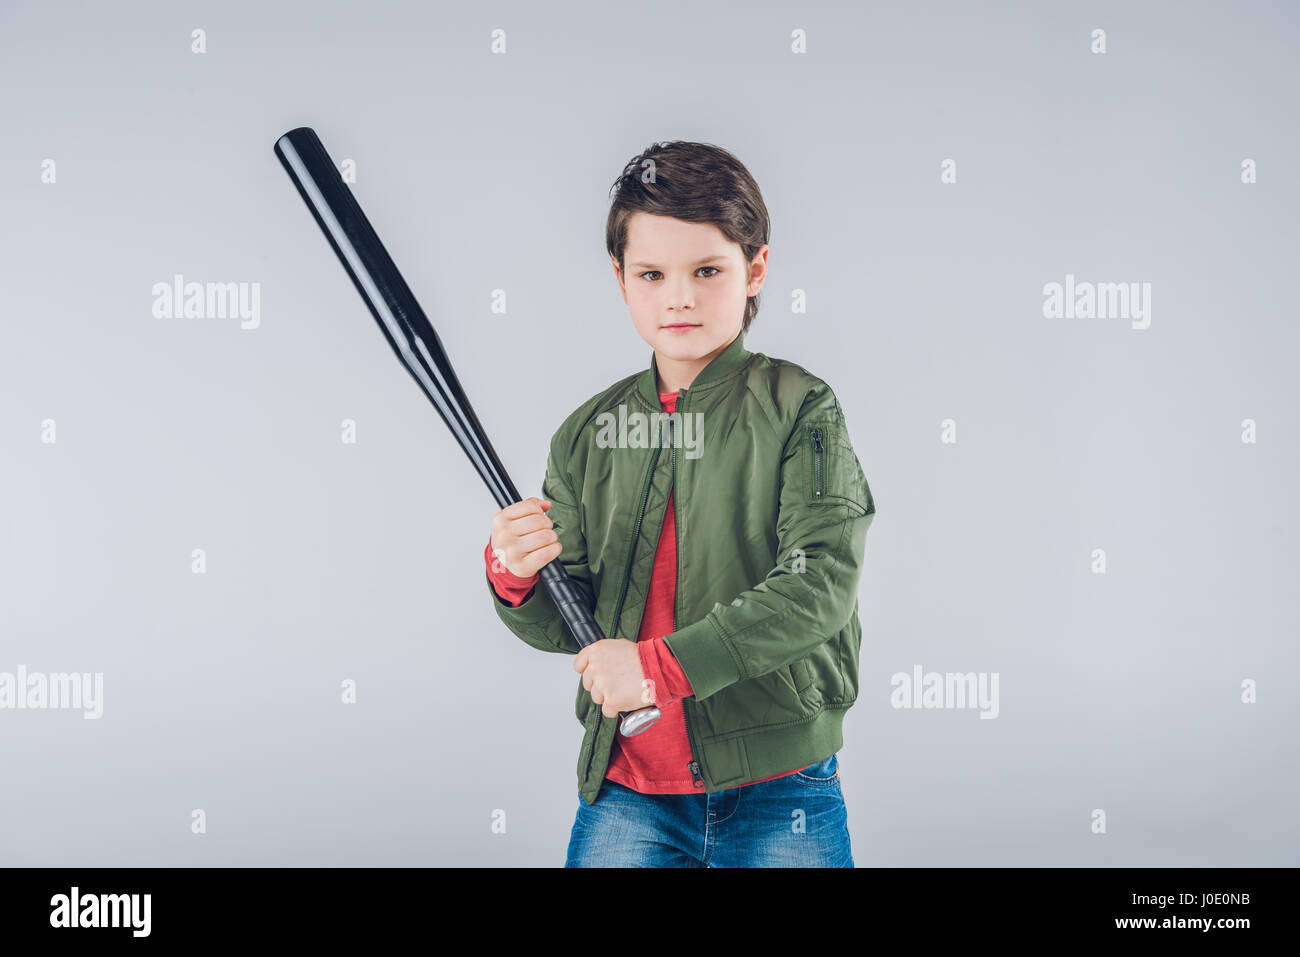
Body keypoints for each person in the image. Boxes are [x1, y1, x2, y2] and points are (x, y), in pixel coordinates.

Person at [484, 140, 876, 867]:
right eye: (653, 273)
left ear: (755, 267)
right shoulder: (586, 435)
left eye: (707, 270)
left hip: (780, 782)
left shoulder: (800, 408)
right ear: (621, 279)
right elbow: (574, 623)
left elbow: (819, 583)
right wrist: (517, 575)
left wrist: (660, 667)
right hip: (631, 788)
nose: (680, 297)